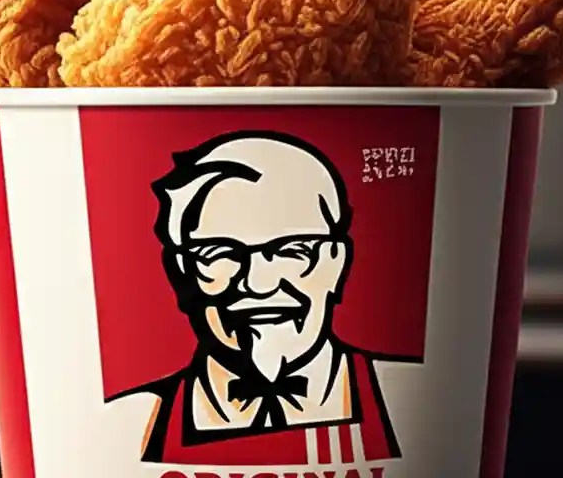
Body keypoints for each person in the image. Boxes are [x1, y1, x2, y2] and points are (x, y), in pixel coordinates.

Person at [115, 131, 401, 465]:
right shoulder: (128, 420)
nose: (259, 283)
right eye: (219, 252)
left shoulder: (414, 395)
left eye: (293, 250)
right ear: (182, 272)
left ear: (337, 263)